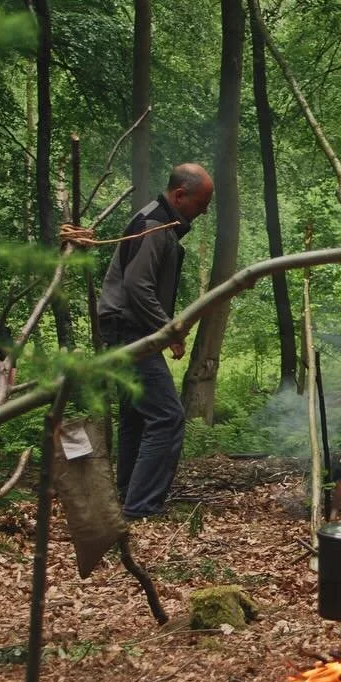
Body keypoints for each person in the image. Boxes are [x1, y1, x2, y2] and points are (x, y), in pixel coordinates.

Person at [97, 163, 214, 520]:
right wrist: (170, 331)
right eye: (201, 203)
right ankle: (141, 507)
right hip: (127, 331)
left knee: (136, 415)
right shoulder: (154, 225)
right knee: (166, 416)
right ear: (180, 195)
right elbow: (137, 287)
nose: (204, 211)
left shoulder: (157, 221)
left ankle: (127, 496)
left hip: (126, 329)